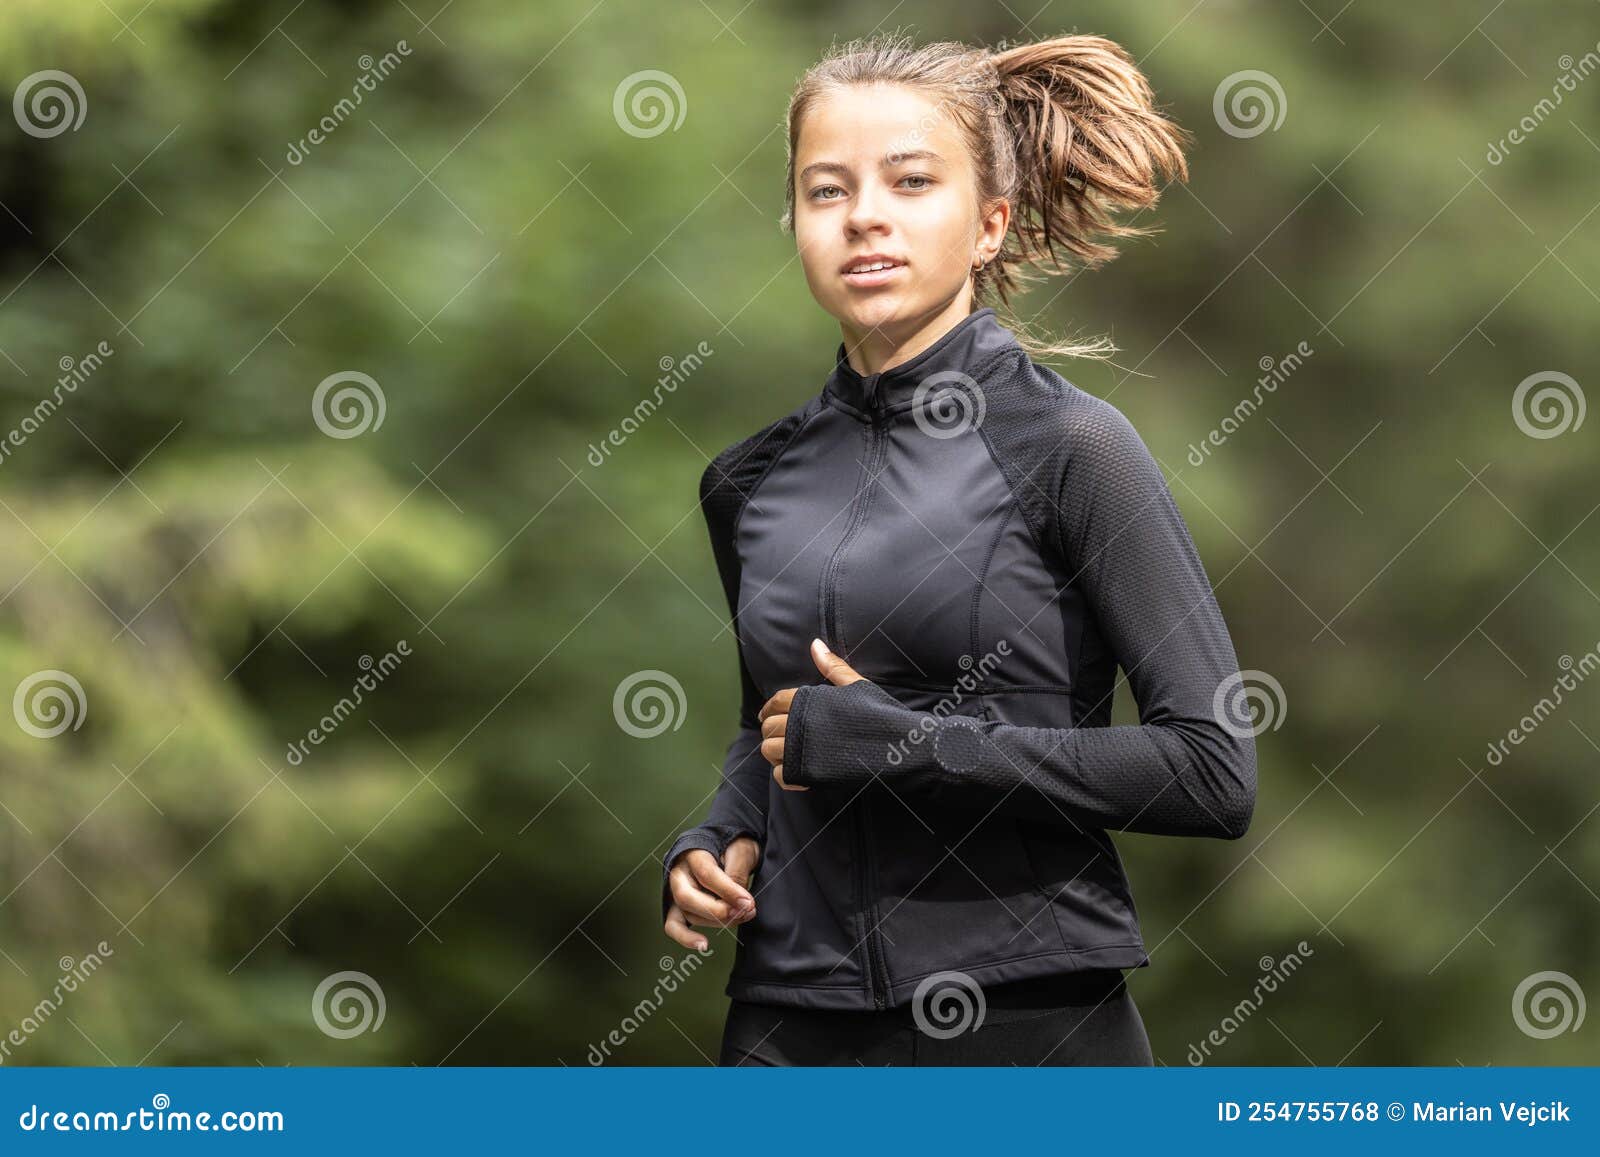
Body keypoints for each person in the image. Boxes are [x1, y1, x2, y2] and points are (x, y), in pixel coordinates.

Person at [660, 30, 1258, 1066]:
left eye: (910, 182)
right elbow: (773, 727)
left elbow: (1211, 771)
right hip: (787, 1023)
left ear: (989, 224)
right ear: (796, 221)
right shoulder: (744, 482)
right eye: (826, 190)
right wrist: (719, 835)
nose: (864, 216)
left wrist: (914, 745)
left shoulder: (1073, 447)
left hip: (1029, 1024)